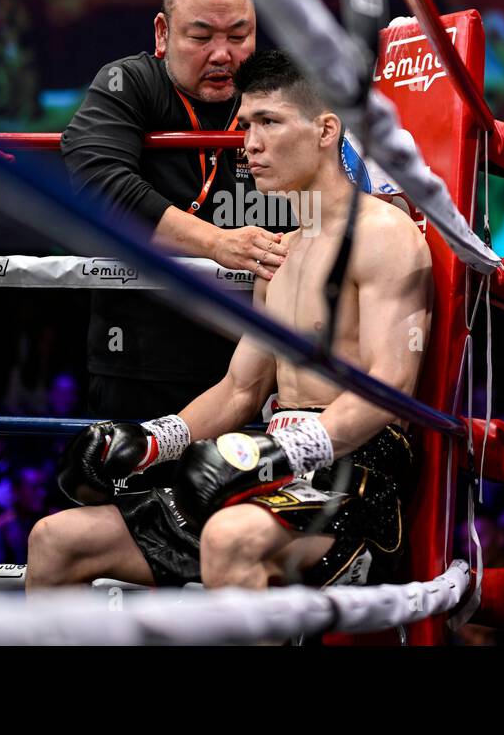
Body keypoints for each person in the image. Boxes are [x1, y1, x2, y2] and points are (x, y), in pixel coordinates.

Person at [27, 49, 432, 589]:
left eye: (269, 122)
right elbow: (241, 391)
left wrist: (285, 448)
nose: (251, 144)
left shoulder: (382, 234)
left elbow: (391, 384)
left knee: (229, 538)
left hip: (354, 476)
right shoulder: (279, 254)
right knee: (57, 541)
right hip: (273, 470)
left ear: (326, 130)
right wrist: (152, 441)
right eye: (246, 125)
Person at [60, 0, 290, 431]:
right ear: (163, 33)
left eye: (238, 35)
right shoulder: (129, 83)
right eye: (201, 37)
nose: (223, 55)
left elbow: (339, 186)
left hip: (263, 364)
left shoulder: (281, 96)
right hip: (143, 361)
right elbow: (99, 185)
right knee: (132, 497)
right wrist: (218, 243)